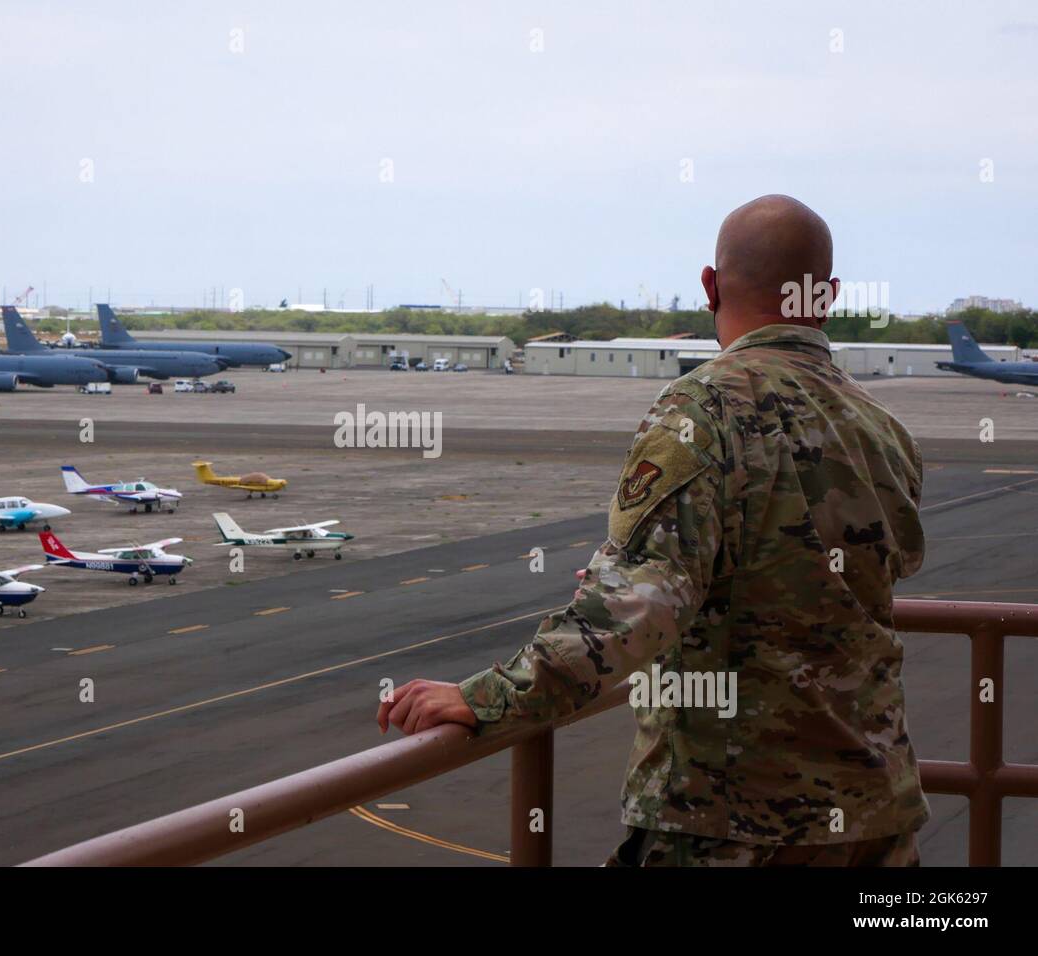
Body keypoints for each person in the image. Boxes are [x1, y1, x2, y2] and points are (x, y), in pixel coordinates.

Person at [375, 195, 928, 866]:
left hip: (734, 820)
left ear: (710, 286)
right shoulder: (882, 426)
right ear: (829, 295)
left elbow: (637, 607)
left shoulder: (704, 406)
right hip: (874, 814)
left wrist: (486, 697)